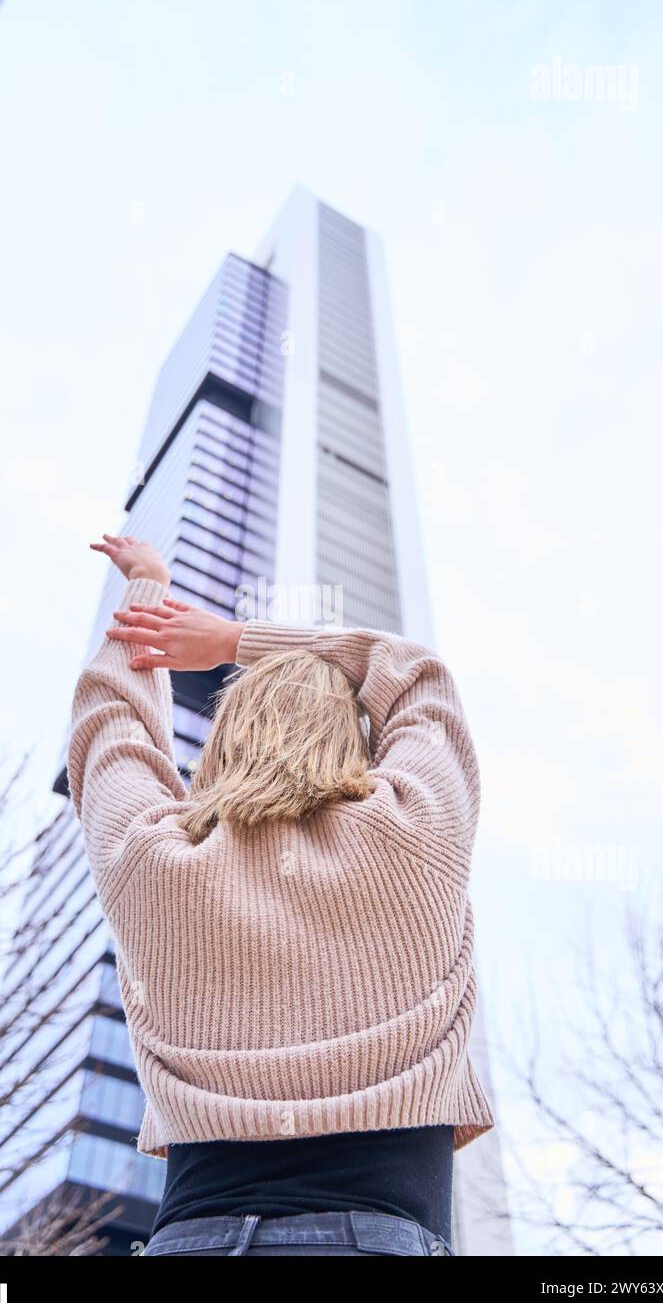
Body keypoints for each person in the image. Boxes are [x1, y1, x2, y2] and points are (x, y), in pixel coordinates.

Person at [67, 534, 495, 1257]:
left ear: (223, 740)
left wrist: (148, 591)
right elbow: (416, 672)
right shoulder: (416, 830)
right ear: (359, 739)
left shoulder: (154, 859)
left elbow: (111, 719)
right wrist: (237, 639)